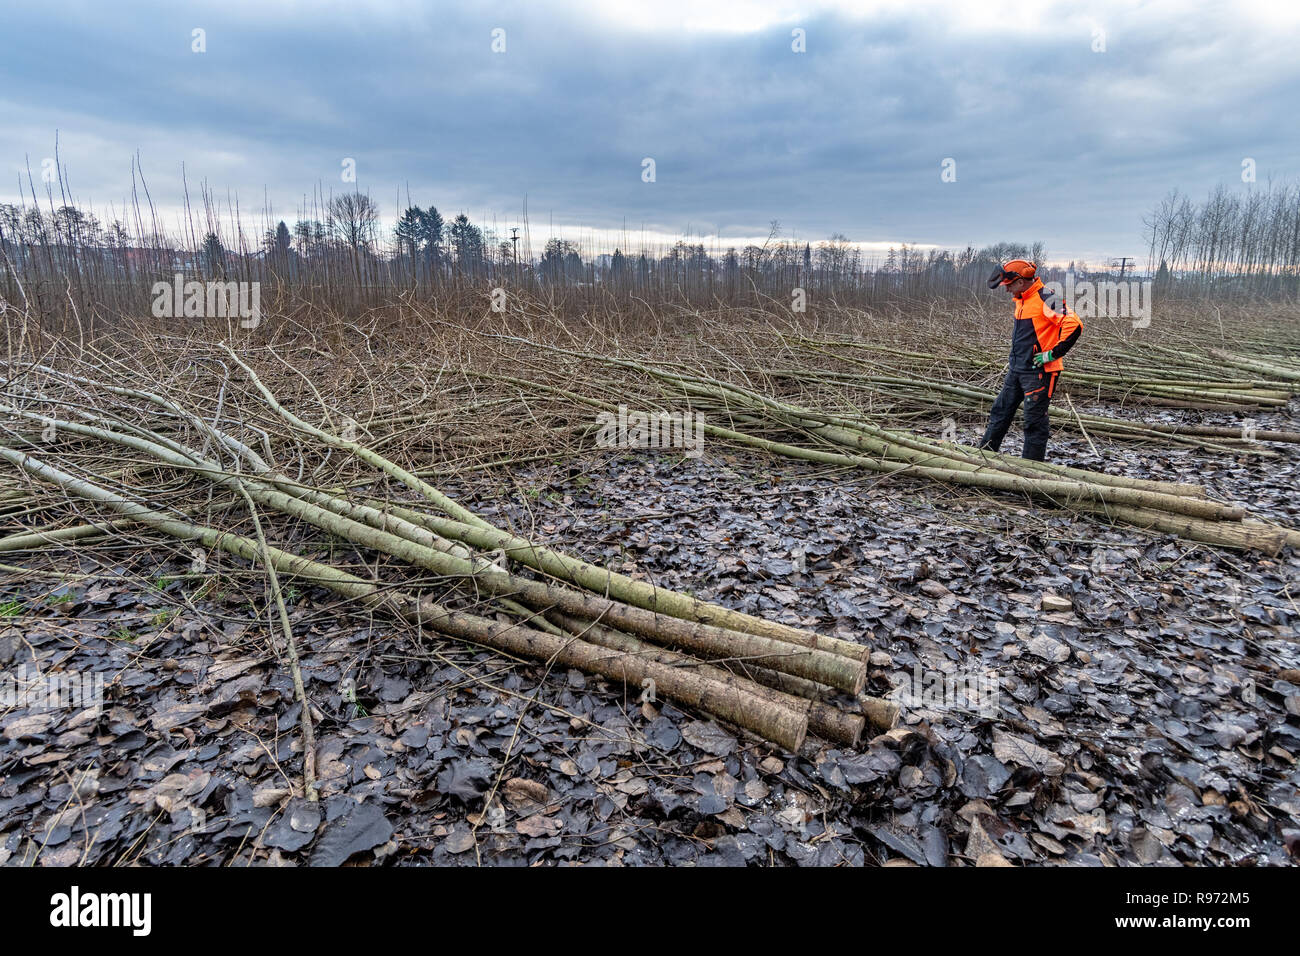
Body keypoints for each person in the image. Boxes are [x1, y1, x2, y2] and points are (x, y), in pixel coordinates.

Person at [977, 259, 1083, 461]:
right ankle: (982, 457)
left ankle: (1031, 472)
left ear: (1019, 282)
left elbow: (1074, 323)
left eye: (1008, 286)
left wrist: (1052, 354)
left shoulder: (1045, 297)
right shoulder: (1022, 300)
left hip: (1039, 373)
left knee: (1034, 422)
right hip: (1017, 369)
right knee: (1000, 412)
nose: (1007, 290)